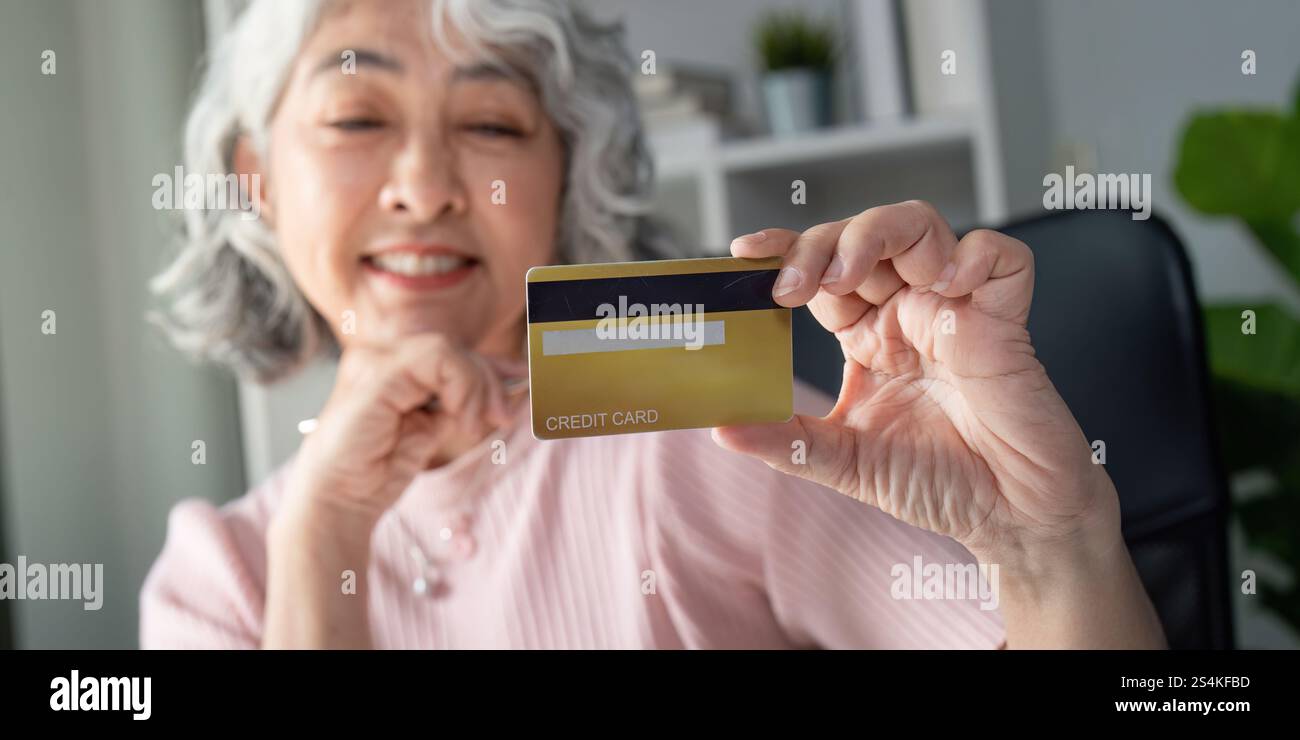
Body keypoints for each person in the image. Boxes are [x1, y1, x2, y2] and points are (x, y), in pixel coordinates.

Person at [141, 0, 1166, 649]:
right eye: (358, 118)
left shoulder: (701, 431)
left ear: (566, 179)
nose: (423, 186)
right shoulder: (215, 581)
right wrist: (324, 541)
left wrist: (1046, 548)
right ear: (259, 182)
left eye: (492, 125)